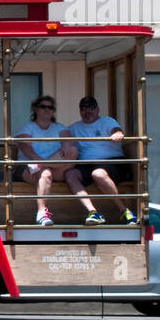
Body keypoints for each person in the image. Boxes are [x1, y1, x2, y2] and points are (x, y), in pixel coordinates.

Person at [16, 95, 94, 226]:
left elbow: (68, 141)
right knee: (46, 173)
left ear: (53, 111)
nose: (47, 110)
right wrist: (38, 160)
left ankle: (45, 165)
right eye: (43, 107)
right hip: (29, 168)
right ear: (35, 109)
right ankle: (41, 213)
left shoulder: (59, 127)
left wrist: (65, 144)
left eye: (50, 107)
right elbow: (25, 147)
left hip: (51, 167)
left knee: (72, 150)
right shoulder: (28, 127)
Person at [65, 96, 138, 225]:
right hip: (87, 165)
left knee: (98, 173)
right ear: (80, 111)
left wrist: (117, 134)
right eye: (84, 108)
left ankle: (125, 211)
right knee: (70, 175)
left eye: (91, 108)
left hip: (113, 162)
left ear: (97, 110)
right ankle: (94, 212)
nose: (87, 111)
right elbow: (62, 143)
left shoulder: (107, 121)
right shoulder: (73, 128)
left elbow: (116, 131)